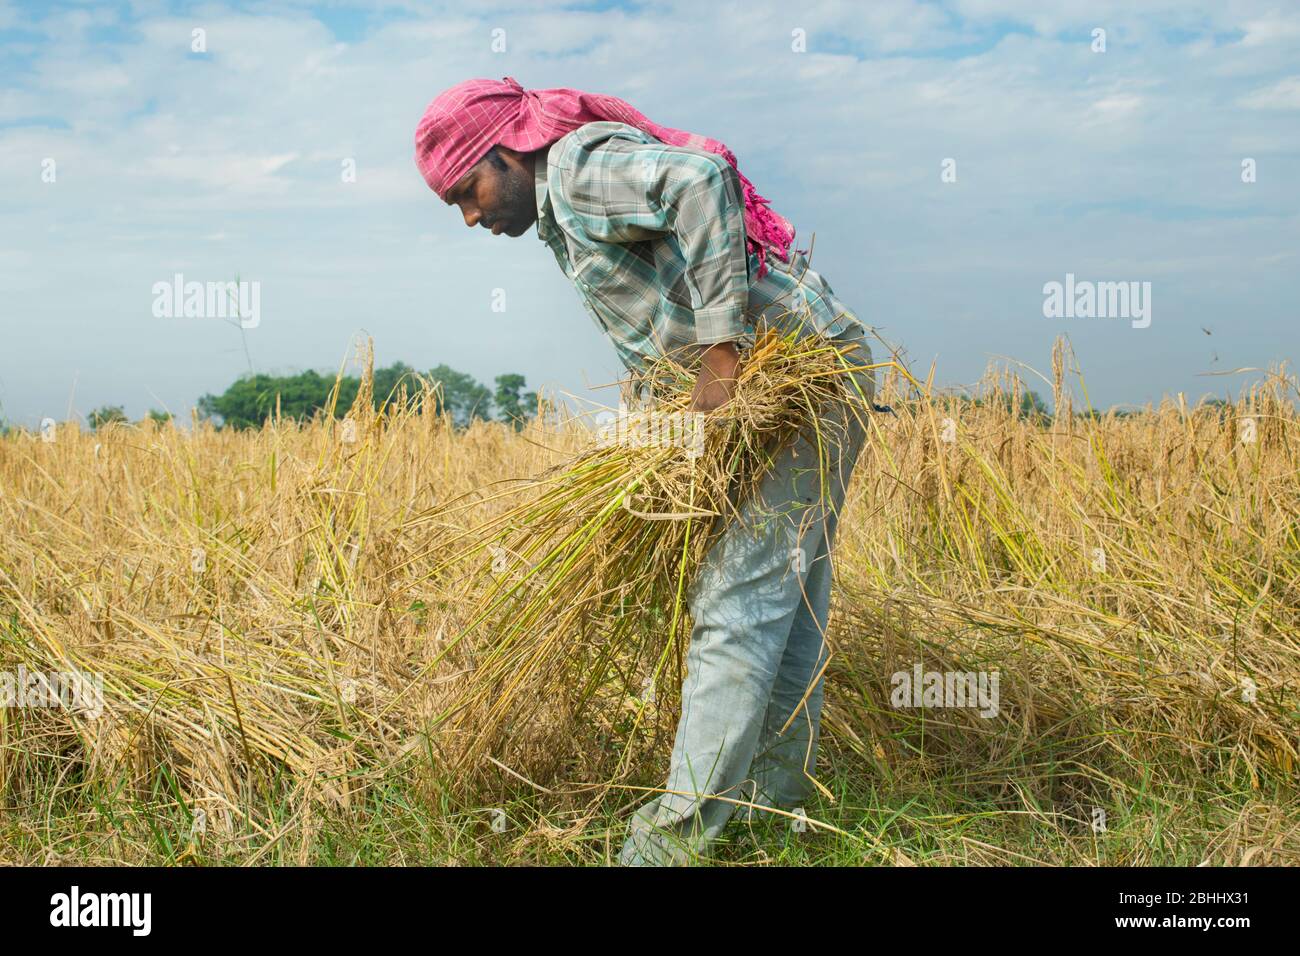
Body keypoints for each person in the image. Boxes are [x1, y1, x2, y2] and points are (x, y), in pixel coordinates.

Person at [415, 77, 876, 865]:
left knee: (738, 600)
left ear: (508, 152)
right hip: (804, 374)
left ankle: (668, 847)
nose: (469, 215)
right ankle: (776, 804)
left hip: (802, 380)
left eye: (470, 189)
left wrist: (723, 356)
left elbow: (702, 181)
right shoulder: (561, 206)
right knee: (787, 592)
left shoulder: (578, 168)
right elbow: (657, 313)